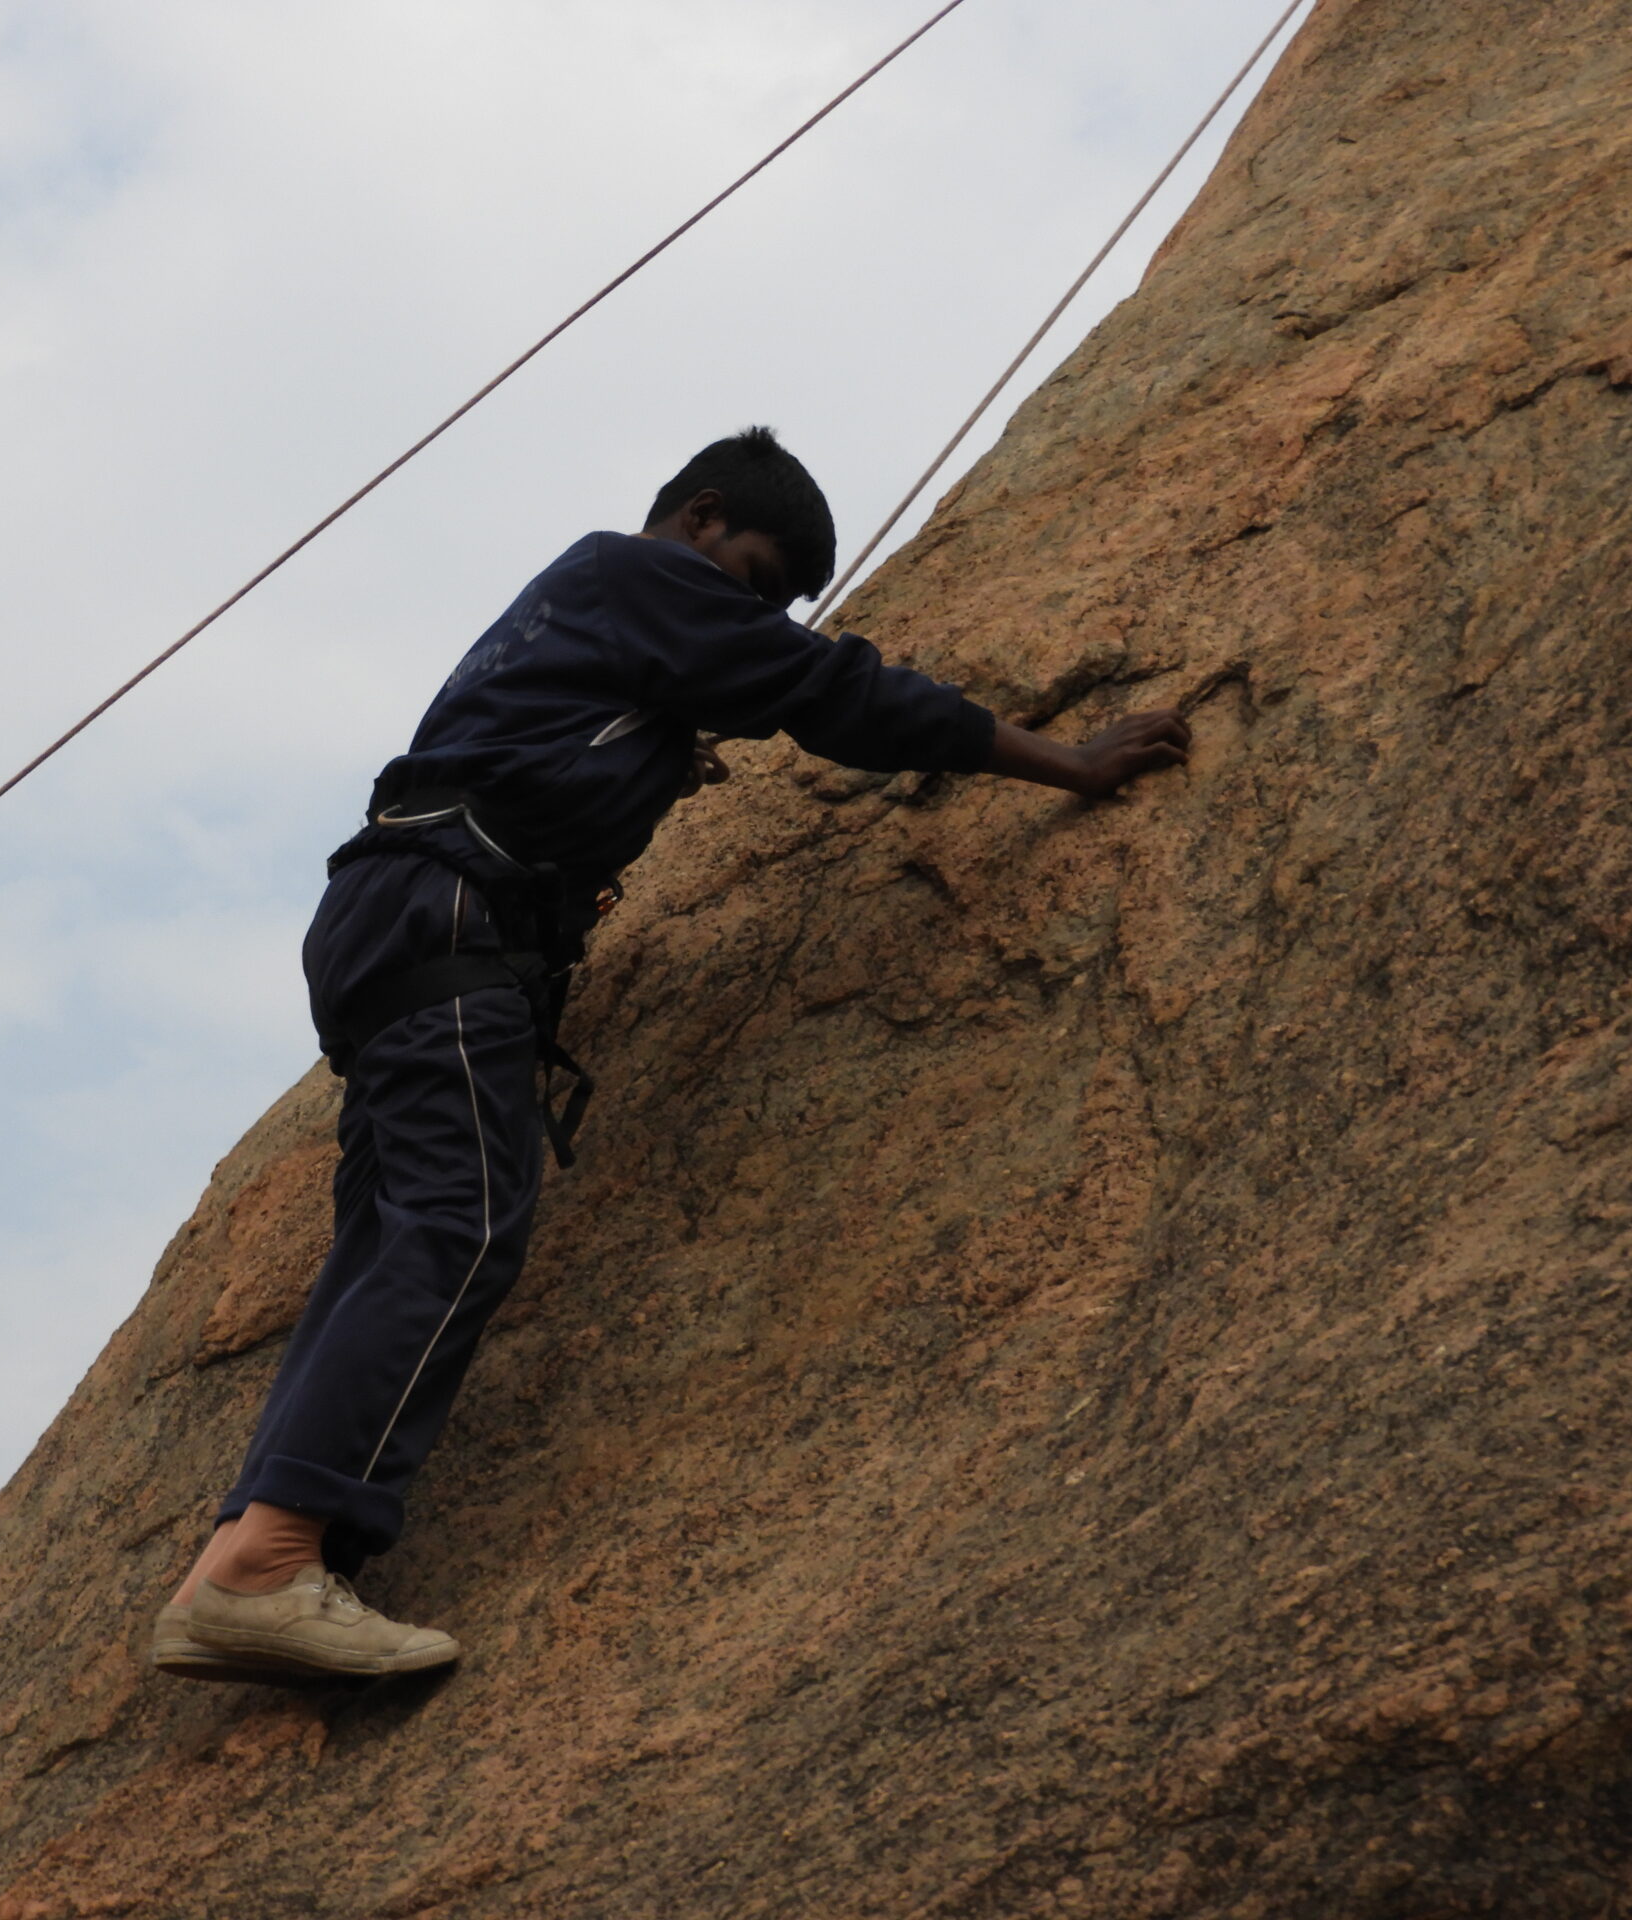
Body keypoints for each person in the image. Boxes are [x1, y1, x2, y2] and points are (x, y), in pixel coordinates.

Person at [151, 427, 1190, 1681]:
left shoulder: (579, 613)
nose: (755, 612)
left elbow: (565, 736)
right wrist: (1059, 760)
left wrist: (641, 755)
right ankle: (271, 1564)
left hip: (394, 910)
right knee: (457, 1223)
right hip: (452, 910)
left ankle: (234, 1563)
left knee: (388, 1237)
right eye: (753, 581)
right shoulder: (633, 573)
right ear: (698, 520)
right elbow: (840, 695)